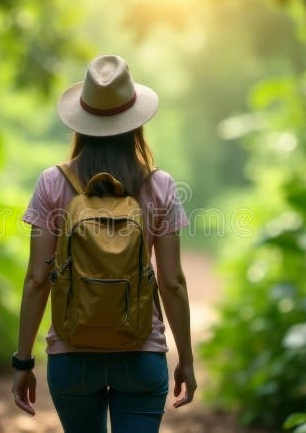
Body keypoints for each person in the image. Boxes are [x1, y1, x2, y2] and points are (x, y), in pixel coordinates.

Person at [11, 54, 196, 433]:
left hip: (71, 357)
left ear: (81, 121)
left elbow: (36, 279)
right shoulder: (159, 186)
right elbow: (173, 282)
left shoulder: (52, 183)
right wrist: (187, 360)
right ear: (137, 123)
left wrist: (24, 362)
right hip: (141, 353)